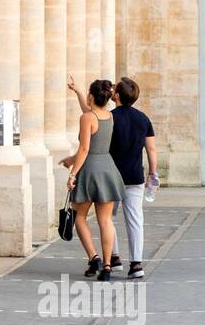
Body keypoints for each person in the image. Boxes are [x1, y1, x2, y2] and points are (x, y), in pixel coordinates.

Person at [64, 79, 127, 281]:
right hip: (107, 168)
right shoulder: (109, 115)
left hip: (89, 169)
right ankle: (107, 267)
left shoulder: (87, 118)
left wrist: (73, 173)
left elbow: (84, 148)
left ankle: (94, 257)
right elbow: (89, 110)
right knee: (105, 220)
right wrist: (78, 91)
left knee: (79, 216)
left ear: (93, 96)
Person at [109, 76, 157, 279]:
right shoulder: (143, 118)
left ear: (117, 95)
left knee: (106, 218)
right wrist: (152, 173)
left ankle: (114, 257)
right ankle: (136, 263)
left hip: (111, 176)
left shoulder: (109, 117)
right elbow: (151, 149)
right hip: (134, 176)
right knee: (135, 219)